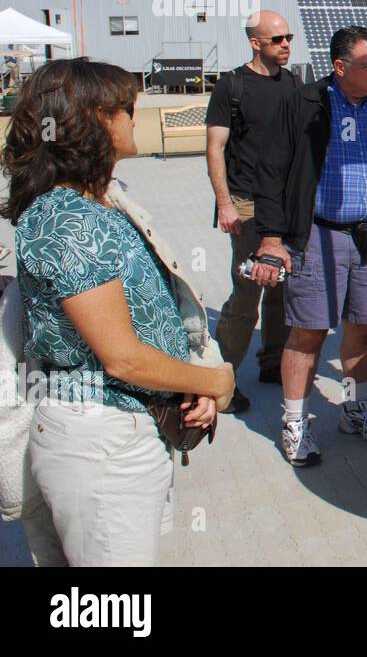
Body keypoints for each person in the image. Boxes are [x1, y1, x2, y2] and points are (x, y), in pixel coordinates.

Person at [1, 58, 234, 565]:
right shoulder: (68, 218)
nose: (137, 115)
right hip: (99, 443)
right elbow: (123, 359)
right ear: (93, 120)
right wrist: (215, 381)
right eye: (127, 107)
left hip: (119, 430)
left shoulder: (100, 200)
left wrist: (188, 383)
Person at [252, 26, 367, 467]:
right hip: (318, 236)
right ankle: (295, 422)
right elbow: (271, 173)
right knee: (309, 332)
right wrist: (271, 239)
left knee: (363, 328)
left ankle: (353, 408)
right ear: (339, 67)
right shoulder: (303, 106)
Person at [205, 10, 299, 412]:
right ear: (255, 43)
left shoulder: (294, 83)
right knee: (247, 293)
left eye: (288, 37)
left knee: (281, 288)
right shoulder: (232, 86)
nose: (286, 44)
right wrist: (224, 204)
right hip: (245, 202)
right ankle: (220, 379)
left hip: (284, 203)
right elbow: (215, 148)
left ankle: (273, 363)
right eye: (277, 39)